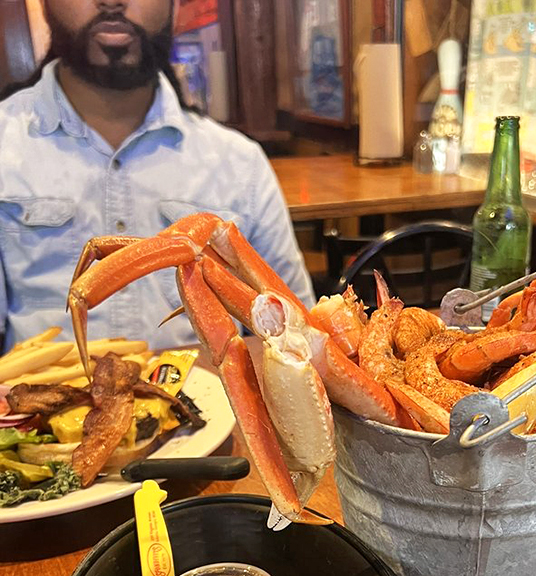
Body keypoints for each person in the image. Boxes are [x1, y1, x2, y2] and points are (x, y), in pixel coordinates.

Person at [0, 0, 315, 352]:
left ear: (174, 7)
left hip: (206, 387)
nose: (112, 2)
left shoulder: (239, 164)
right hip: (35, 386)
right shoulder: (6, 146)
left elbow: (298, 334)